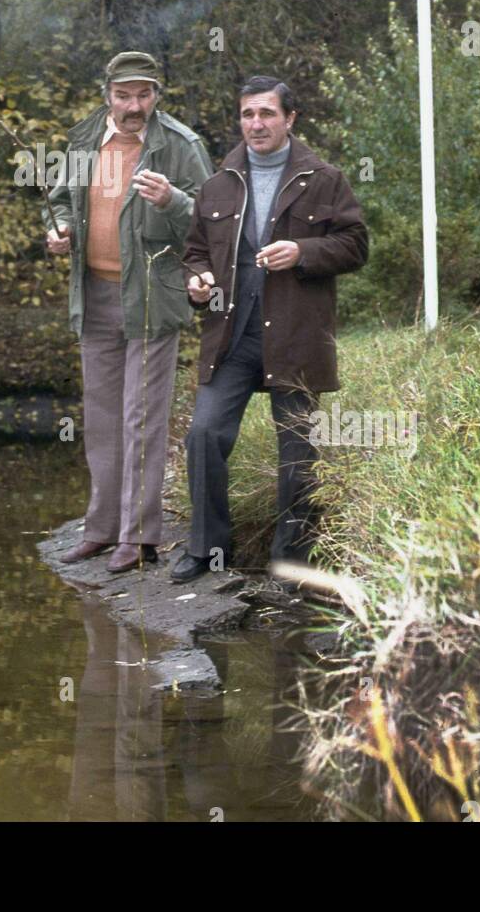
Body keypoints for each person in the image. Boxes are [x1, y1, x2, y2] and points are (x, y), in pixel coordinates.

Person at [171, 76, 368, 583]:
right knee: (204, 434)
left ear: (290, 118)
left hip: (296, 337)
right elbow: (194, 253)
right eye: (247, 115)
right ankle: (207, 549)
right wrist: (198, 279)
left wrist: (304, 252)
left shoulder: (324, 178)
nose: (256, 124)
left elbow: (355, 245)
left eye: (266, 114)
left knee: (298, 447)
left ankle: (293, 558)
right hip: (230, 337)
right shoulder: (218, 183)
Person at [44, 51, 213, 574]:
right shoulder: (80, 141)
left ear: (156, 96)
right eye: (124, 95)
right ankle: (100, 529)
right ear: (107, 96)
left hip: (151, 298)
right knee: (100, 418)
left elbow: (213, 219)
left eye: (143, 95)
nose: (133, 105)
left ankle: (139, 538)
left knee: (141, 416)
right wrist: (59, 229)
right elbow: (62, 200)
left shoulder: (181, 146)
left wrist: (172, 201)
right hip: (93, 292)